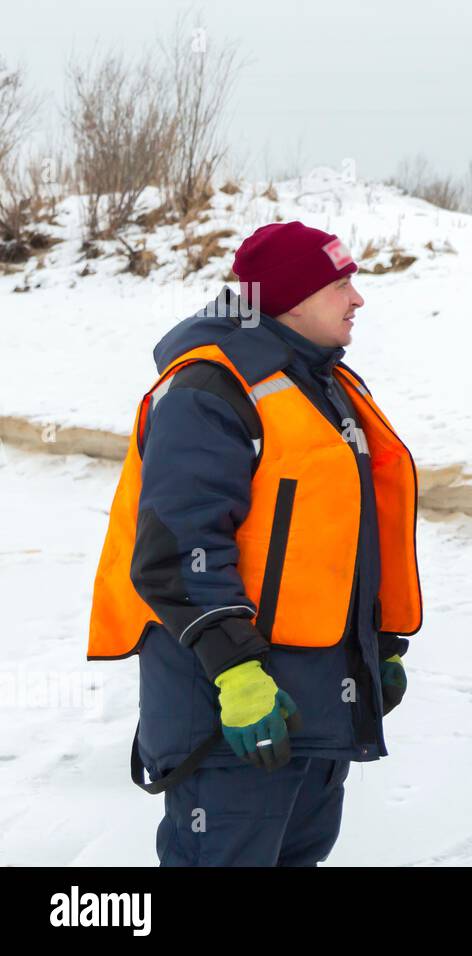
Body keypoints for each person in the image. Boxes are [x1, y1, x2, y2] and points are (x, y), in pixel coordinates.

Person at [88, 221, 422, 866]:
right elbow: (179, 547)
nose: (358, 300)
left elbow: (329, 541)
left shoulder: (323, 386)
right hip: (235, 710)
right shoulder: (209, 390)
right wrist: (238, 674)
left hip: (315, 703)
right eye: (341, 284)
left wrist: (377, 644)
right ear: (292, 297)